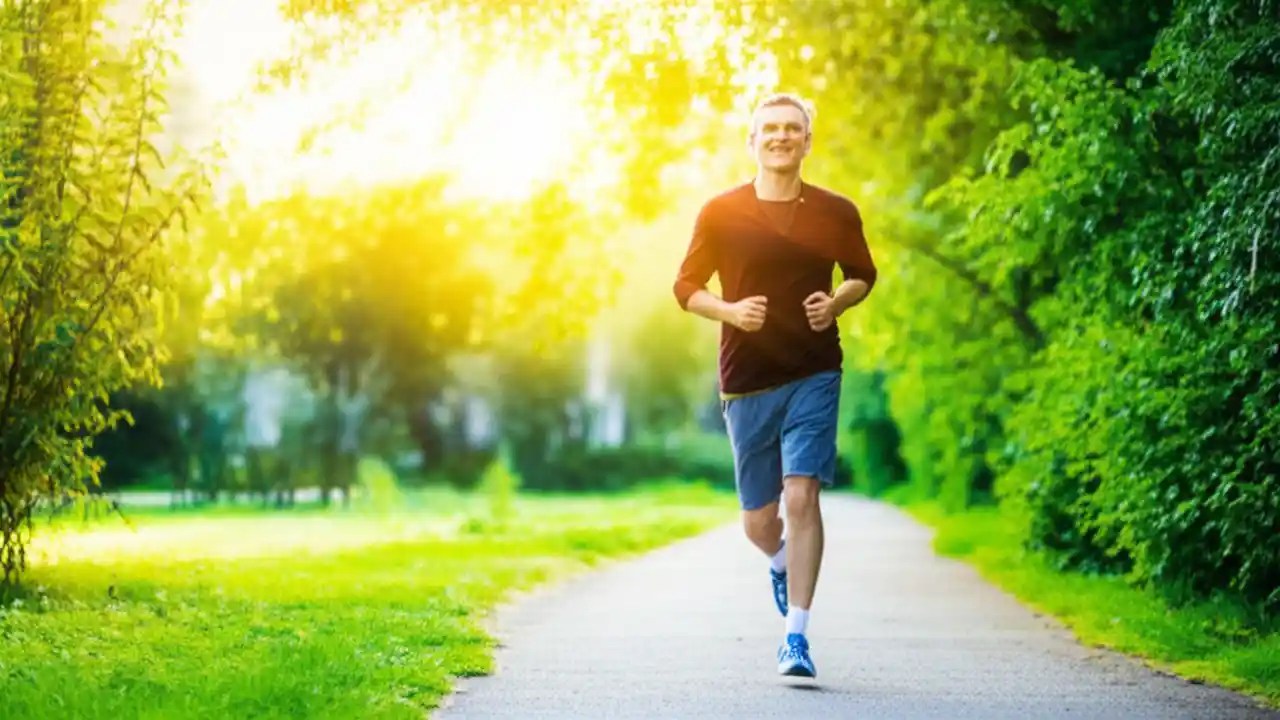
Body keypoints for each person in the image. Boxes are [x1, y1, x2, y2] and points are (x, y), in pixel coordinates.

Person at [672, 92, 876, 678]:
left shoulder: (836, 212)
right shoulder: (721, 212)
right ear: (752, 141)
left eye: (793, 128)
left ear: (808, 141)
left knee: (802, 495)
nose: (782, 137)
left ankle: (796, 638)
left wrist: (836, 302)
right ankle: (782, 561)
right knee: (760, 522)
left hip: (815, 369)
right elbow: (686, 287)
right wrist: (730, 311)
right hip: (747, 379)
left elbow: (863, 274)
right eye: (771, 129)